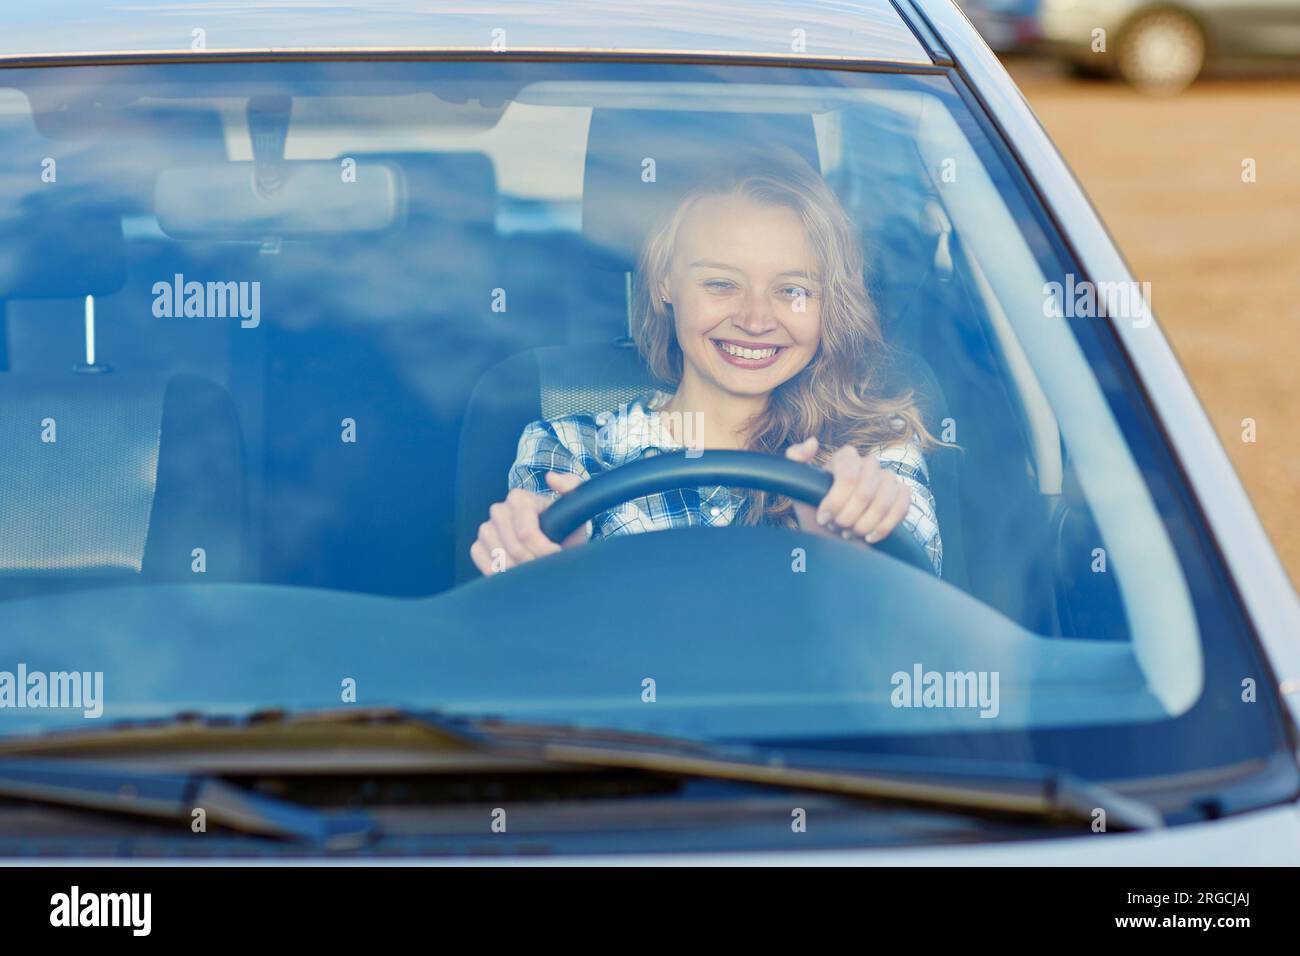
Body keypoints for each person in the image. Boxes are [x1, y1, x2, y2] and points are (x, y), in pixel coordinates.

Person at [470, 146, 942, 578]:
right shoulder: (570, 449)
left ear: (827, 303)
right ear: (663, 284)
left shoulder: (872, 453)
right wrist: (537, 564)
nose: (756, 320)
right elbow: (533, 641)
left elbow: (919, 630)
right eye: (721, 284)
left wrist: (850, 560)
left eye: (792, 290)